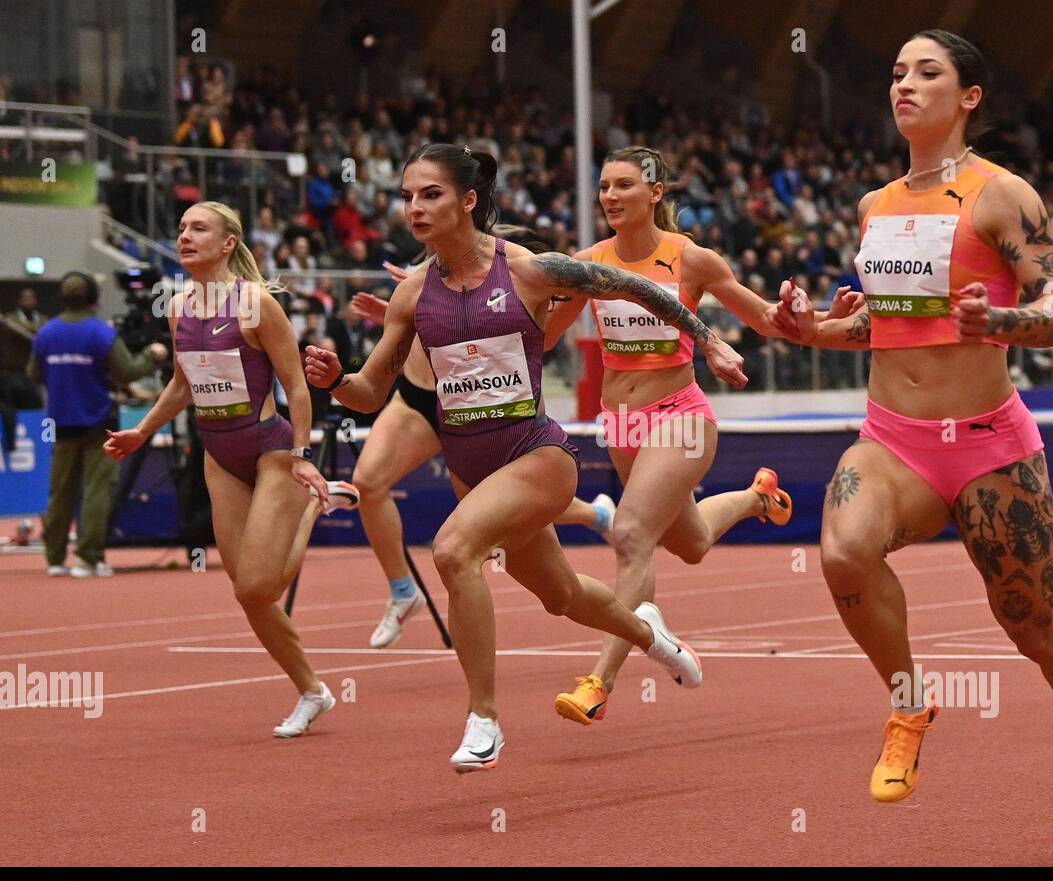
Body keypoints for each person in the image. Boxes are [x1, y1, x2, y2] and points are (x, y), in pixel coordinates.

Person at [768, 30, 1053, 851]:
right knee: (842, 552)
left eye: (927, 73)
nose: (904, 84)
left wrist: (1001, 318)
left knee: (1039, 632)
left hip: (989, 447)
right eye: (897, 71)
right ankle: (908, 702)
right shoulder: (875, 206)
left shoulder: (1003, 197)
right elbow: (877, 328)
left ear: (968, 97)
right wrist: (810, 329)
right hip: (893, 441)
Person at [303, 143, 745, 771]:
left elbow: (641, 287)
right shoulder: (413, 296)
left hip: (537, 455)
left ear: (468, 201)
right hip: (471, 468)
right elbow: (370, 392)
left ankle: (484, 719)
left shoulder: (530, 270)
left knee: (455, 551)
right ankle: (652, 635)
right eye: (406, 197)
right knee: (561, 595)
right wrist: (334, 381)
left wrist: (711, 343)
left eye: (430, 194)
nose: (414, 208)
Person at [543, 146, 862, 726]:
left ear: (655, 194)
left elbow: (769, 320)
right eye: (604, 187)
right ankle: (755, 497)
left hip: (681, 418)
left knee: (633, 534)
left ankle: (599, 680)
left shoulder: (692, 260)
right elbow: (542, 337)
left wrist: (822, 317)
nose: (610, 197)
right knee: (688, 543)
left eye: (623, 186)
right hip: (621, 425)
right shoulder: (589, 263)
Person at [104, 201, 359, 738]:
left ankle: (315, 502)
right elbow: (181, 384)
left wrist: (300, 458)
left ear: (227, 244)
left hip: (270, 450)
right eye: (180, 229)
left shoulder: (256, 304)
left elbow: (296, 384)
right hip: (218, 456)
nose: (184, 236)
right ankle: (312, 691)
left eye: (199, 228)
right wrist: (141, 432)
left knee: (258, 587)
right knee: (248, 592)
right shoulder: (176, 309)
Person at [350, 227, 614, 651]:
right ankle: (403, 591)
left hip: (491, 412)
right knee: (367, 482)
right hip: (422, 398)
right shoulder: (426, 277)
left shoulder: (516, 277)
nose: (419, 209)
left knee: (514, 524)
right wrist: (393, 316)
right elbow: (407, 333)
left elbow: (533, 337)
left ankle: (596, 517)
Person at [28, 272, 167, 577]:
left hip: (60, 423)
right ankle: (88, 559)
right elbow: (127, 372)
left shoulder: (46, 333)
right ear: (94, 299)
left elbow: (34, 375)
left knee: (60, 492)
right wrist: (152, 354)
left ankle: (54, 560)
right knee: (96, 490)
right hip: (97, 424)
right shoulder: (101, 334)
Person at [1, 287, 46, 453]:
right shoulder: (8, 320)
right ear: (19, 301)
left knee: (37, 410)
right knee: (8, 409)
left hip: (34, 376)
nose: (29, 302)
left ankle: (42, 447)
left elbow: (38, 337)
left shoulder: (44, 322)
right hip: (11, 374)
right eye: (25, 298)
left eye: (31, 298)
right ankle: (11, 444)